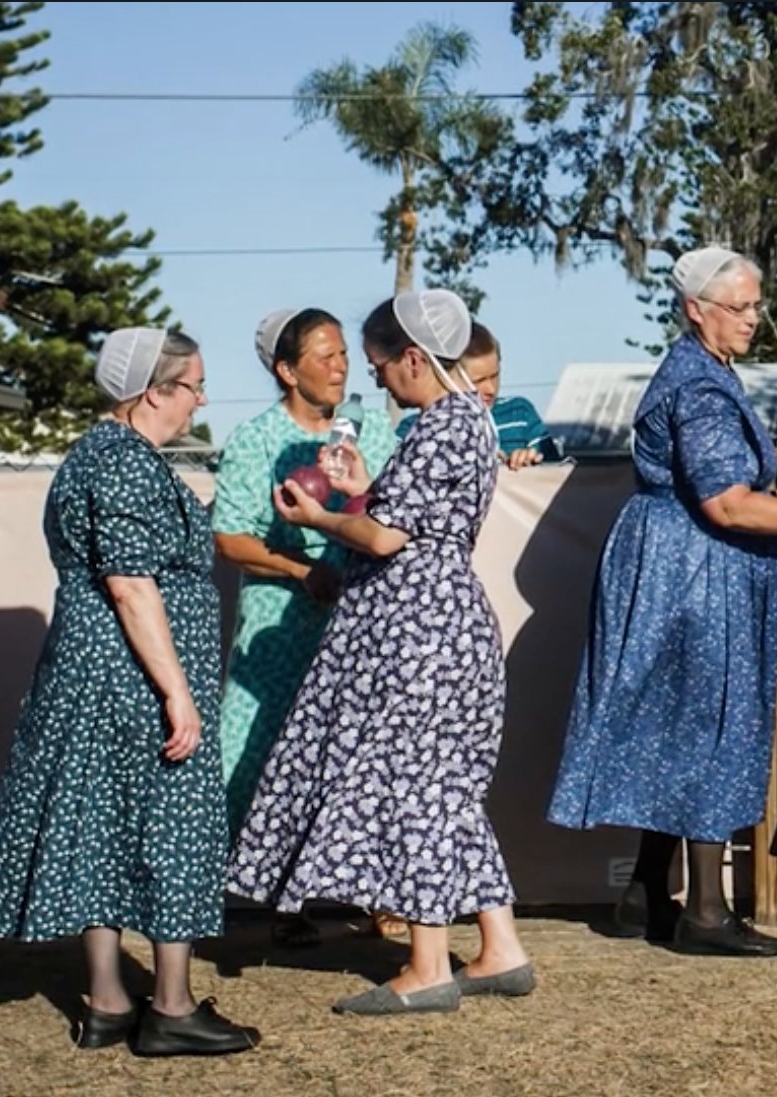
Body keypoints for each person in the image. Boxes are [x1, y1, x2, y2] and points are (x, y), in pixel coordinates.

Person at [546, 246, 777, 957]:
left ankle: (646, 891)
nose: (751, 319)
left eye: (754, 305)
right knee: (713, 721)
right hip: (695, 569)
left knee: (675, 720)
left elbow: (729, 483)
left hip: (676, 560)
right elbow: (727, 505)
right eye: (738, 307)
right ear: (695, 309)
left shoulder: (704, 372)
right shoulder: (702, 388)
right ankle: (706, 912)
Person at [0, 327, 260, 1056]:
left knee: (104, 822)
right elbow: (130, 585)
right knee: (173, 822)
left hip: (103, 671)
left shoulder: (99, 454)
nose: (200, 400)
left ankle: (109, 1000)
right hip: (133, 673)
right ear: (154, 392)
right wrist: (176, 692)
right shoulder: (122, 461)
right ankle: (172, 1006)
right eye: (194, 386)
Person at [228, 289, 532, 1015]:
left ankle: (427, 965)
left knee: (414, 785)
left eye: (379, 365)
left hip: (416, 628)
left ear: (414, 359)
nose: (375, 378)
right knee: (447, 785)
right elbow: (418, 515)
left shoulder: (436, 425)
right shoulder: (472, 419)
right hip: (451, 618)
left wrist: (320, 516)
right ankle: (500, 946)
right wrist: (365, 487)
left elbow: (387, 537)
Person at [212, 307, 395, 948]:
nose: (342, 366)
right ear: (288, 371)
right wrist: (300, 570)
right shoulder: (256, 439)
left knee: (364, 750)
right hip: (279, 622)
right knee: (263, 751)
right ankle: (278, 899)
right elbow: (229, 538)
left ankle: (378, 895)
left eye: (344, 353)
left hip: (363, 609)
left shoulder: (373, 429)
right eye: (326, 355)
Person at [395, 321, 557, 470]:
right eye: (478, 381)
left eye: (495, 375)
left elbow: (559, 472)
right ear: (447, 377)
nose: (491, 389)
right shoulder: (414, 429)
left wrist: (532, 461)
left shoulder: (520, 413)